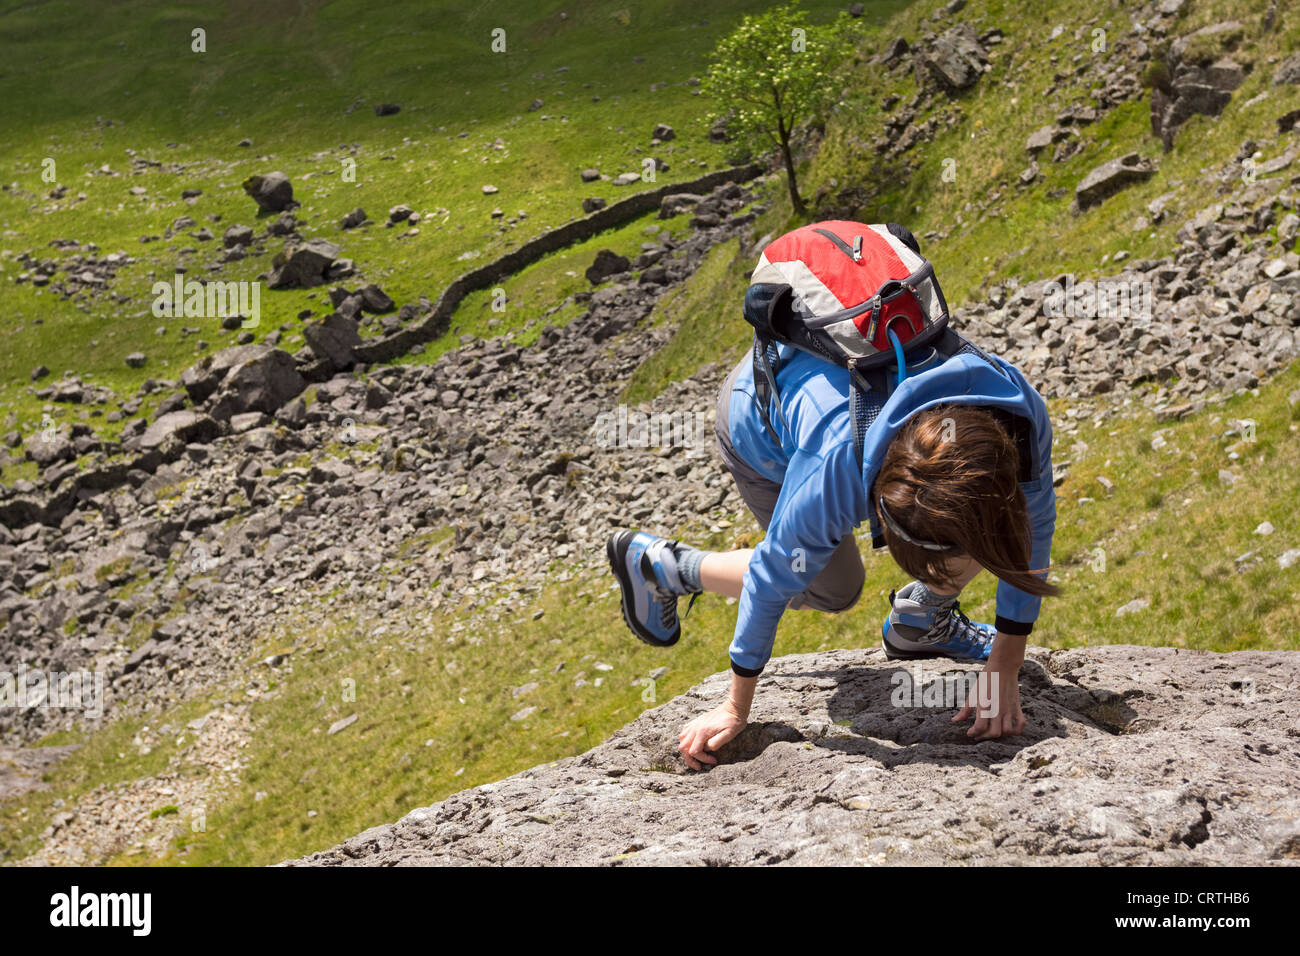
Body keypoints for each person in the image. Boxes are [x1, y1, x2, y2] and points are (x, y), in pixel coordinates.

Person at [607, 221, 1058, 770]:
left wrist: (1006, 664)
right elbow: (774, 577)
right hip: (760, 433)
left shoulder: (1013, 414)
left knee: (979, 525)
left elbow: (1029, 528)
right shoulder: (835, 468)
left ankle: (920, 621)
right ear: (886, 518)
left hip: (860, 418)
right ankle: (665, 565)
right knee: (833, 586)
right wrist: (734, 707)